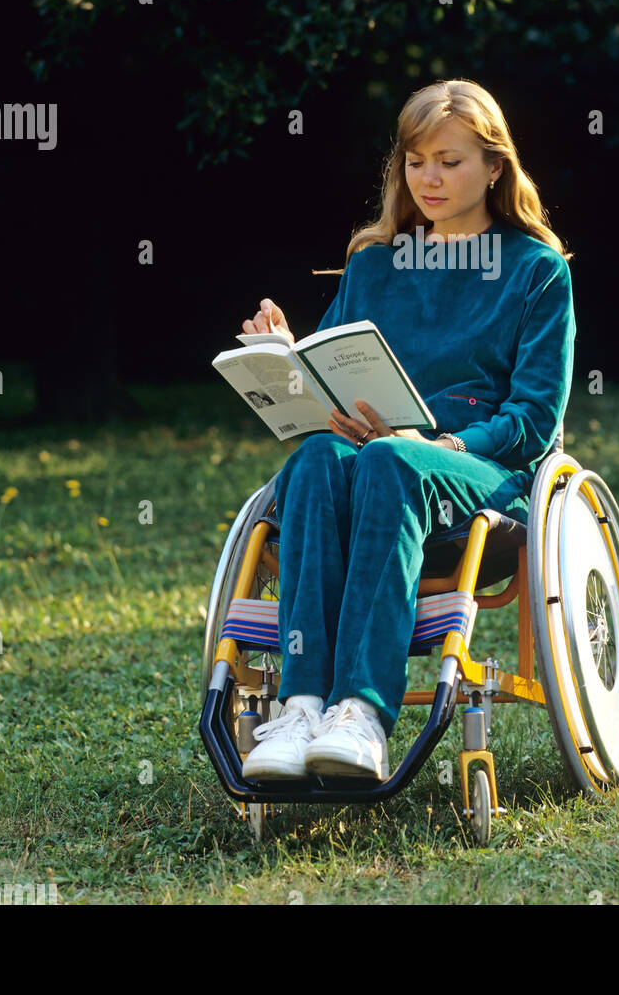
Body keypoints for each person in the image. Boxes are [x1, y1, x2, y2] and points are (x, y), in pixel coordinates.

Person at [237, 80, 575, 781]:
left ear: (493, 167)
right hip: (368, 461)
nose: (430, 178)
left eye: (450, 162)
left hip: (479, 474)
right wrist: (284, 353)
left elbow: (534, 422)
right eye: (417, 160)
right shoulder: (375, 263)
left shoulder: (537, 272)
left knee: (394, 461)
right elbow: (329, 371)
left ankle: (360, 713)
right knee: (311, 463)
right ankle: (301, 706)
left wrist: (442, 445)